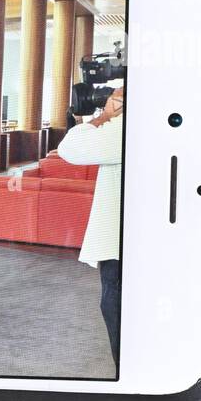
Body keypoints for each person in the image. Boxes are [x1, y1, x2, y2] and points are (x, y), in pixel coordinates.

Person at [56, 85, 123, 361]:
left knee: (116, 305)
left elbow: (69, 148)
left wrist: (103, 117)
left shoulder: (125, 130)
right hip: (134, 239)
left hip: (120, 242)